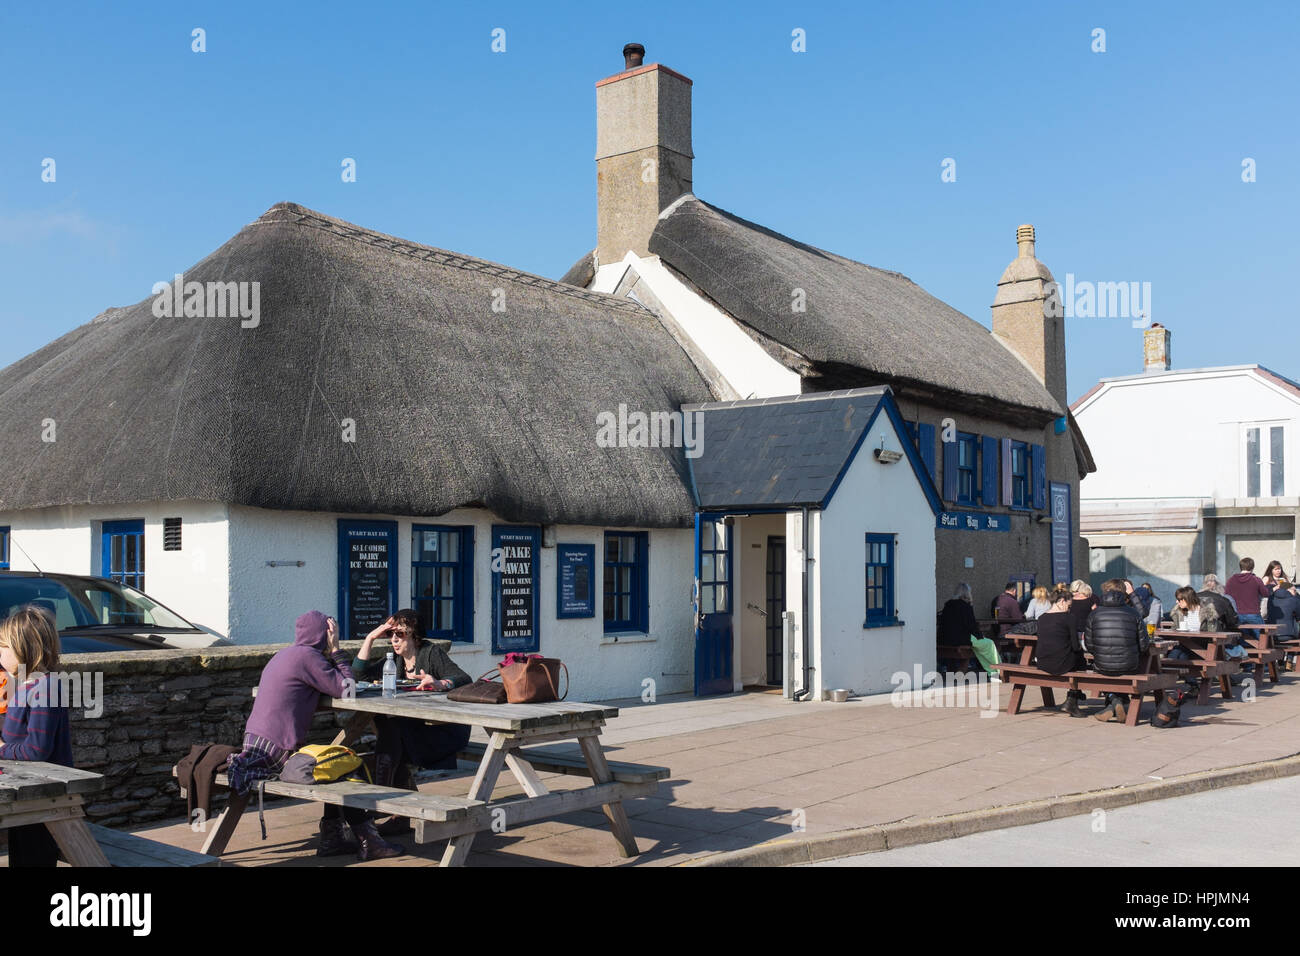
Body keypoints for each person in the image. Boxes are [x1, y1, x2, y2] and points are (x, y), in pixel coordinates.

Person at [226, 610, 403, 861]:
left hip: (255, 746)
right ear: (324, 634)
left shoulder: (286, 654)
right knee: (348, 764)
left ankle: (333, 838)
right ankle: (369, 841)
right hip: (278, 752)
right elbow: (348, 689)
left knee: (336, 762)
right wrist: (336, 649)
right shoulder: (308, 658)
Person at [352, 610, 474, 834]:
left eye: (399, 634)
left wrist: (439, 683)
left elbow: (465, 679)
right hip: (414, 733)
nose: (394, 639)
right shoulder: (394, 660)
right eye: (391, 634)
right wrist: (370, 637)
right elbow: (358, 677)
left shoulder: (430, 652)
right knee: (389, 727)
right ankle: (395, 811)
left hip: (443, 732)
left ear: (415, 636)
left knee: (392, 732)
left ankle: (382, 798)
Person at [0, 606, 74, 866]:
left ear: (24, 648)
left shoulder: (47, 688)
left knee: (35, 857)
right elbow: (15, 735)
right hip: (28, 790)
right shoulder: (24, 684)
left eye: (3, 647)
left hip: (46, 794)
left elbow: (36, 750)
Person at [1085, 579, 1148, 722]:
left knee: (1109, 671)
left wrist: (1102, 653)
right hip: (1129, 665)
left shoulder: (1094, 614)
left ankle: (1113, 702)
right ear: (1124, 593)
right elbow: (1144, 645)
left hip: (1102, 665)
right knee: (1127, 670)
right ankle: (1116, 703)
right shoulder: (1133, 613)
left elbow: (1089, 645)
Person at [1034, 587, 1086, 717]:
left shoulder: (1041, 618)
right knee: (1080, 659)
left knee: (1076, 658)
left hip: (1042, 662)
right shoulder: (1069, 618)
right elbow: (1075, 646)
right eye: (1069, 606)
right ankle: (1073, 697)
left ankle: (1074, 696)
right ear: (1062, 601)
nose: (1069, 609)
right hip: (1060, 665)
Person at [939, 583, 1001, 680]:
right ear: (967, 593)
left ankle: (992, 672)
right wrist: (980, 636)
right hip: (961, 639)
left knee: (979, 645)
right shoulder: (966, 606)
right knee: (989, 644)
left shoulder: (948, 605)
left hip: (944, 639)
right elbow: (971, 626)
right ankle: (996, 672)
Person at [1225, 557, 1269, 624]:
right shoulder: (1256, 580)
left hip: (1236, 615)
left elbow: (1226, 596)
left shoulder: (1231, 580)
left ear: (1240, 567)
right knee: (1260, 633)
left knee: (1240, 634)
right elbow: (1266, 593)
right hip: (1253, 614)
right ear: (1252, 567)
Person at [1266, 576, 1300, 643]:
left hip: (1272, 635)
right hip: (1288, 634)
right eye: (1294, 590)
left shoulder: (1270, 599)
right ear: (1288, 590)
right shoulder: (1294, 599)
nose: (1295, 592)